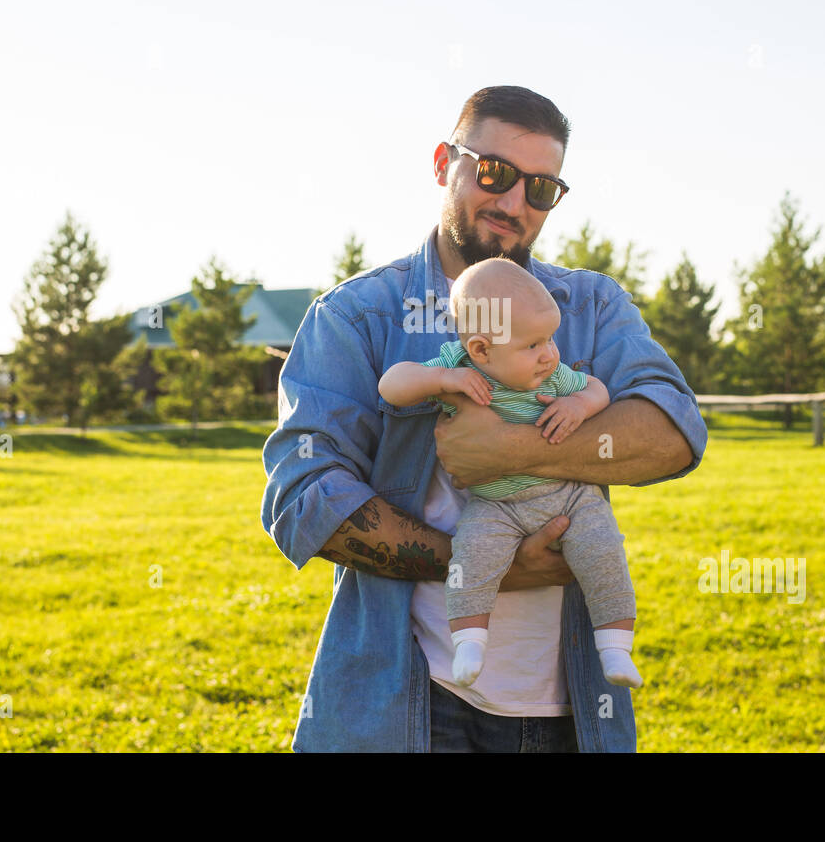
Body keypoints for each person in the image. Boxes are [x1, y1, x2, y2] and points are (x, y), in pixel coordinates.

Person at [260, 85, 708, 752]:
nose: (512, 202)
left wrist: (512, 451)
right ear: (445, 163)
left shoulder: (588, 306)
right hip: (409, 706)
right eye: (494, 173)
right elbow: (304, 499)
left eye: (541, 188)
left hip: (571, 710)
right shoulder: (357, 316)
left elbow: (673, 432)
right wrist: (482, 566)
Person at [378, 257, 643, 691]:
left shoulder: (554, 376)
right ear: (481, 349)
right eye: (533, 345)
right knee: (472, 556)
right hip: (496, 504)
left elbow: (597, 388)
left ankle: (615, 646)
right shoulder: (459, 366)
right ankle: (469, 643)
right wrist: (443, 379)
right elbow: (392, 384)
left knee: (602, 550)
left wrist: (579, 405)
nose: (550, 354)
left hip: (569, 498)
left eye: (550, 339)